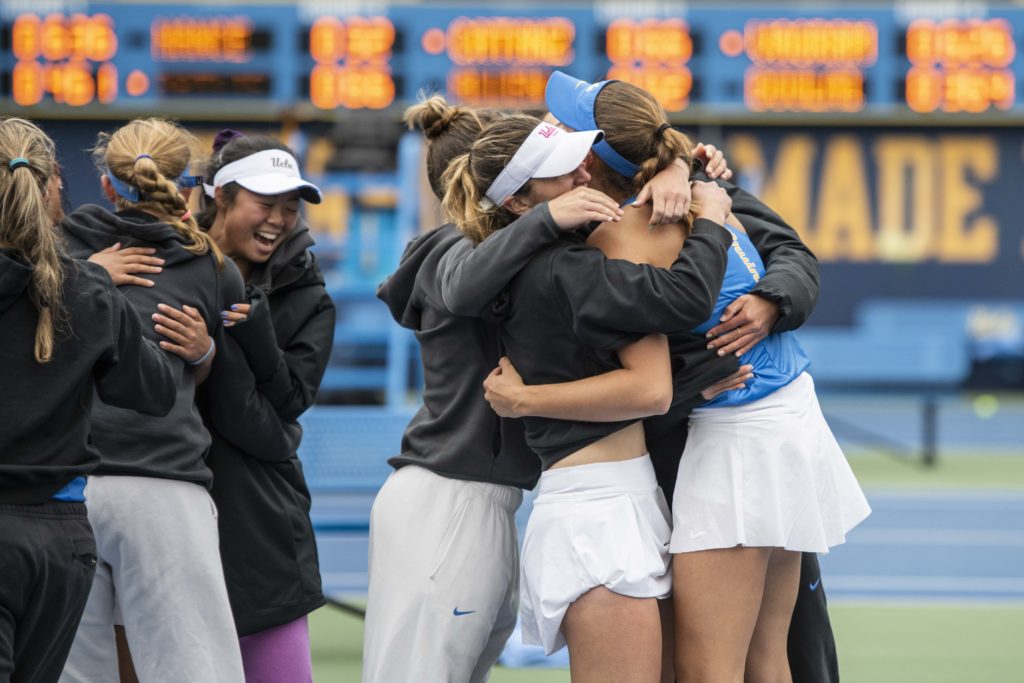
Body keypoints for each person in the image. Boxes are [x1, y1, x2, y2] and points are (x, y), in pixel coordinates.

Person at [481, 73, 869, 682]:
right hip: (787, 419)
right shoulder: (702, 190)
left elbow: (658, 357)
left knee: (707, 670)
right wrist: (685, 173)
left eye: (576, 134)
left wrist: (527, 397)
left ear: (599, 157)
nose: (566, 142)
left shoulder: (620, 234)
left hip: (737, 439)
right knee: (768, 659)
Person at [366, 96, 740, 683]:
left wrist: (674, 166)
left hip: (512, 494)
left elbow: (626, 369)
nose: (585, 173)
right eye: (561, 170)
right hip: (457, 492)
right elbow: (660, 337)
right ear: (514, 197)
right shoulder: (463, 252)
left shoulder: (549, 255)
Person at [59, 118, 247, 683]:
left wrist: (82, 276)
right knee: (194, 671)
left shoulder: (56, 252)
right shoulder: (214, 265)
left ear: (107, 182)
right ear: (188, 184)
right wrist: (206, 350)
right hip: (165, 489)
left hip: (68, 490)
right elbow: (204, 371)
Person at [0, 117, 176, 682]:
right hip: (61, 537)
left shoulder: (84, 282)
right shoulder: (87, 289)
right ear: (55, 184)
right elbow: (153, 392)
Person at [194, 131, 335, 683]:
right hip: (175, 504)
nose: (278, 220)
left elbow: (289, 410)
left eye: (289, 207)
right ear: (221, 197)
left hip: (263, 518)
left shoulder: (309, 296)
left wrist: (234, 344)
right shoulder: (163, 271)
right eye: (265, 203)